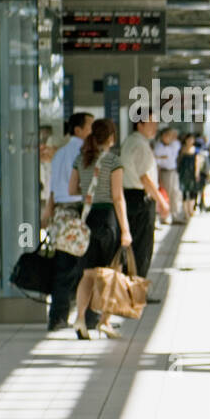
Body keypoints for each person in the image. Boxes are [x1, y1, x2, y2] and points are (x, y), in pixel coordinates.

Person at [70, 119, 130, 340]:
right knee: (111, 273)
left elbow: (71, 188)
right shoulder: (113, 161)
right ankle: (104, 321)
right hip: (107, 219)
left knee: (87, 274)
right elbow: (117, 197)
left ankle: (80, 318)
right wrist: (125, 230)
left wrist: (88, 188)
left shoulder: (80, 159)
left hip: (87, 218)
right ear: (112, 137)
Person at [43, 112, 93, 331]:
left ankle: (57, 317)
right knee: (84, 268)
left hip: (61, 215)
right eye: (91, 126)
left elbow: (52, 189)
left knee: (62, 266)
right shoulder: (85, 152)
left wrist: (48, 214)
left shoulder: (60, 153)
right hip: (79, 213)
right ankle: (86, 316)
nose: (93, 130)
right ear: (78, 130)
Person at [119, 116, 169, 300]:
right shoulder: (139, 144)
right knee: (142, 248)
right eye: (152, 123)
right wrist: (161, 202)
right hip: (139, 199)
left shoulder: (131, 142)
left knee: (134, 248)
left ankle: (131, 291)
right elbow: (145, 178)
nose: (155, 127)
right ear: (140, 124)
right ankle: (136, 293)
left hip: (131, 197)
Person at [154, 126, 181, 224]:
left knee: (175, 193)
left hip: (173, 171)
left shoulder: (173, 145)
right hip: (164, 172)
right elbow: (156, 160)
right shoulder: (159, 147)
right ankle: (164, 216)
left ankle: (174, 214)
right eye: (167, 135)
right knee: (166, 194)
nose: (170, 137)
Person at [177, 134, 200, 222]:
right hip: (183, 173)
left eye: (192, 139)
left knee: (192, 192)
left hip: (191, 173)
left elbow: (197, 162)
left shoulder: (196, 150)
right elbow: (179, 160)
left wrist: (197, 174)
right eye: (189, 139)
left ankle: (191, 210)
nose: (190, 141)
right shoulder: (182, 149)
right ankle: (186, 212)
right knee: (183, 192)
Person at [38, 126, 55, 210]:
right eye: (42, 133)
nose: (43, 136)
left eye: (46, 133)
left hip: (49, 192)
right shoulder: (38, 149)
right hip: (41, 191)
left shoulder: (51, 148)